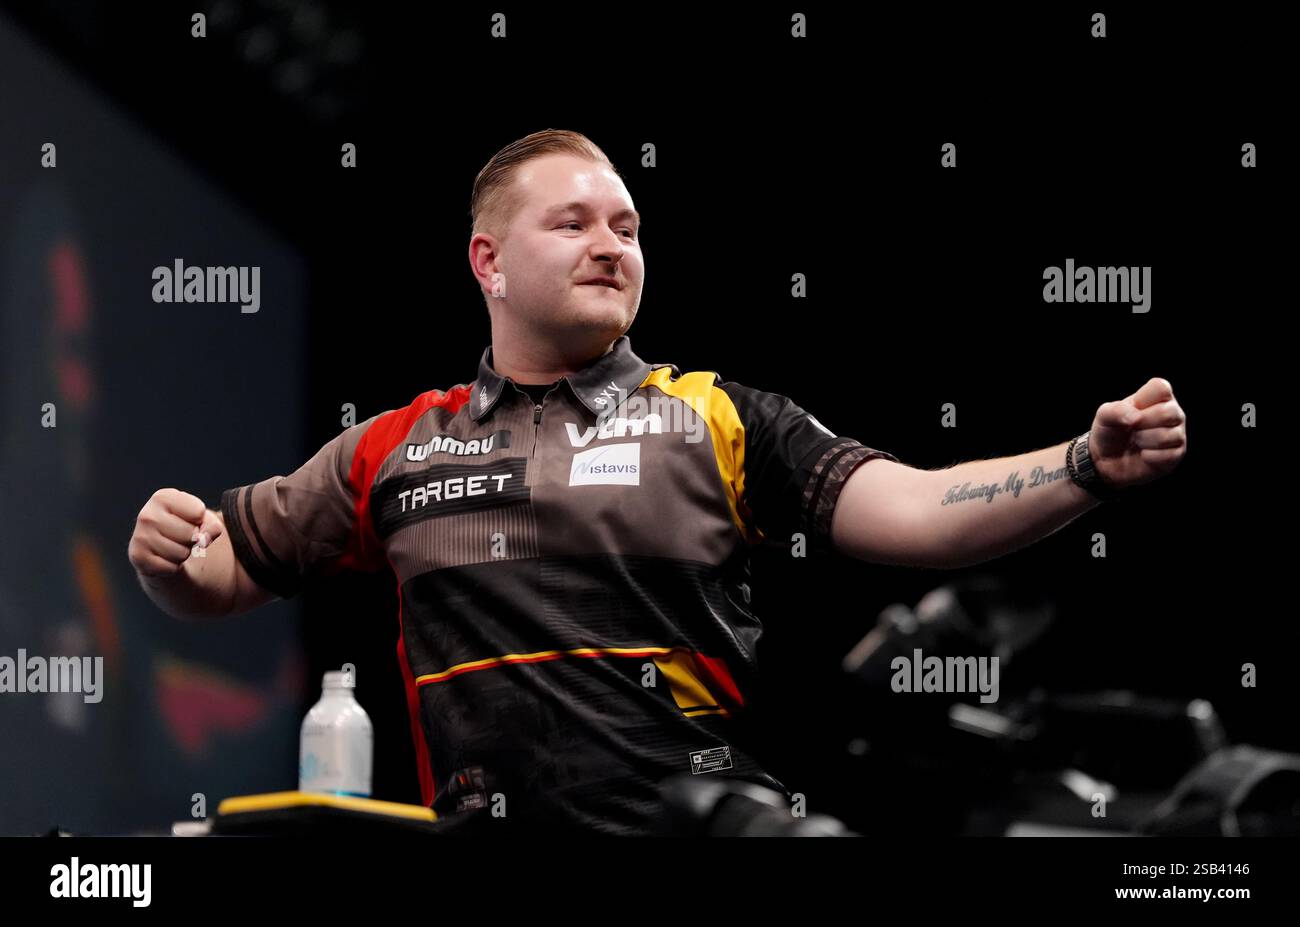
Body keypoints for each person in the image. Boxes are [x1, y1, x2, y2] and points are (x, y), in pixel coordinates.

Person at [127, 129, 1187, 835]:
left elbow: (916, 510)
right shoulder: (391, 447)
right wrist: (169, 553)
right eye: (575, 224)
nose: (611, 247)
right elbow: (219, 572)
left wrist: (1082, 463)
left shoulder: (715, 416)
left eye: (627, 229)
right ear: (487, 263)